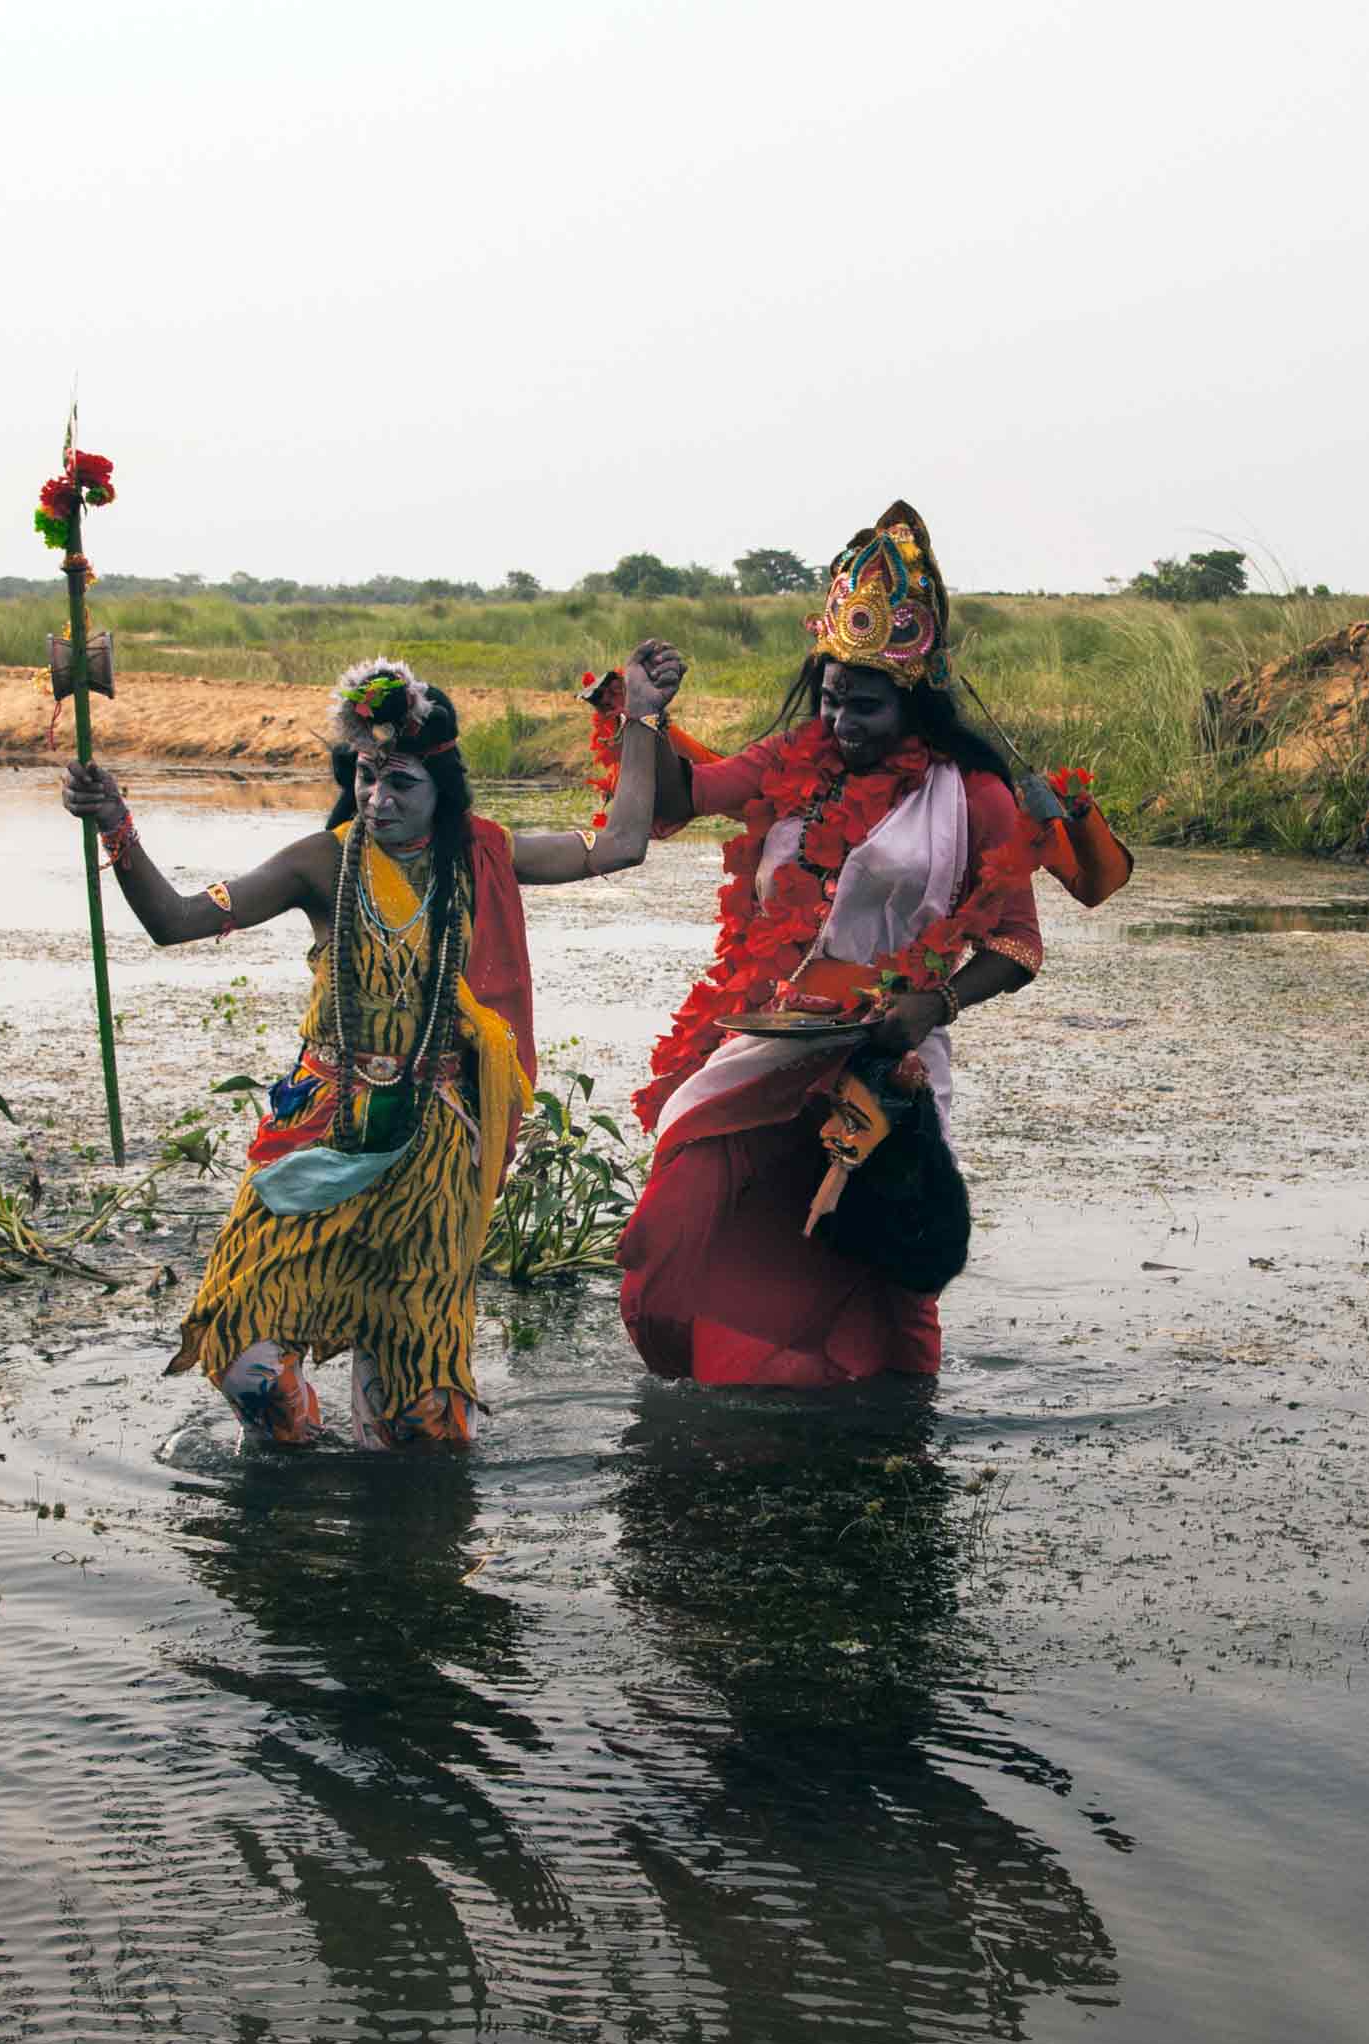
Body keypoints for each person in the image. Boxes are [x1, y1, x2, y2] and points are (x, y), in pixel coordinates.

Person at [63, 645, 685, 1446]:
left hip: (431, 1155)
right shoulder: (321, 863)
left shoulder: (479, 856)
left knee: (416, 1426)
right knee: (248, 1363)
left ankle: (392, 1527)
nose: (378, 798)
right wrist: (118, 827)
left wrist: (639, 718)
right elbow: (175, 921)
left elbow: (621, 844)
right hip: (318, 1129)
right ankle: (301, 1491)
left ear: (443, 789)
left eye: (401, 783)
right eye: (364, 776)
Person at [602, 503, 1044, 1386]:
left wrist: (936, 1003)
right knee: (675, 1224)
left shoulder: (975, 796)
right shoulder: (785, 761)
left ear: (914, 700)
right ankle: (716, 1376)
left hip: (884, 1059)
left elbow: (1020, 946)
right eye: (834, 699)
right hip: (766, 1045)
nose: (844, 722)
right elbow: (669, 804)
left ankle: (896, 1423)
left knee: (883, 1257)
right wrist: (643, 716)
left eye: (868, 706)